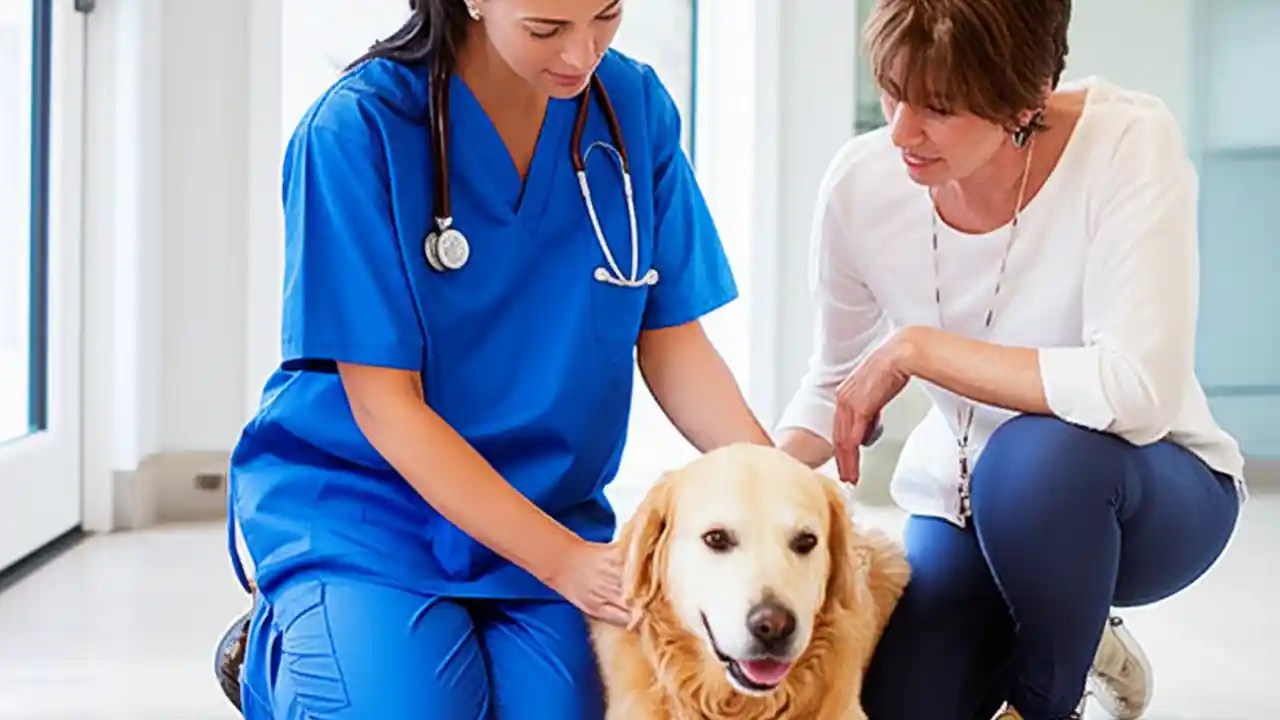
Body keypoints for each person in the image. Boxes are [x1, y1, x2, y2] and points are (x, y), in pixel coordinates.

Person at [219, 0, 772, 717]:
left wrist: (782, 492)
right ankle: (277, 650)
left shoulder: (631, 109)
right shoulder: (357, 130)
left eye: (605, 17)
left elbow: (671, 340)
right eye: (546, 29)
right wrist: (566, 564)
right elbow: (386, 405)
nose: (581, 56)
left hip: (543, 506)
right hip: (367, 512)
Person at [775, 1, 1247, 719]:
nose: (900, 130)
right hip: (962, 500)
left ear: (1023, 100)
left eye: (938, 106)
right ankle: (1078, 632)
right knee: (905, 704)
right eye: (893, 91)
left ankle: (1046, 698)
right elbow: (835, 383)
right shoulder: (861, 185)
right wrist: (744, 484)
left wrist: (919, 348)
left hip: (1144, 490)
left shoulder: (1126, 142)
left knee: (1035, 461)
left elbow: (1137, 388)